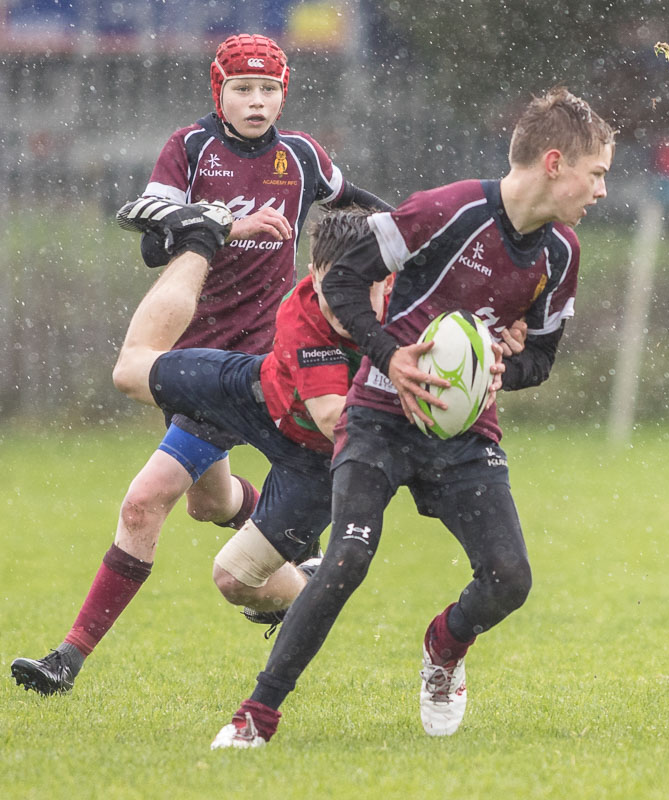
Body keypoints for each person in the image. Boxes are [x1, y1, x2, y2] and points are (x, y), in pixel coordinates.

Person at [211, 87, 616, 748]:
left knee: (510, 581)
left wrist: (500, 369)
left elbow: (539, 358)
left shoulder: (560, 256)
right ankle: (257, 714)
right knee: (346, 557)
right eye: (595, 173)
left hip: (462, 432)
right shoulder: (445, 211)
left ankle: (444, 645)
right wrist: (392, 356)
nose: (601, 190)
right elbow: (341, 281)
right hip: (378, 414)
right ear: (553, 162)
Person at [9, 32, 388, 695]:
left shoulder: (301, 158)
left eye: (268, 89)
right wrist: (227, 227)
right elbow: (155, 241)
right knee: (209, 504)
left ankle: (66, 659)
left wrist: (427, 250)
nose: (256, 101)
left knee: (143, 504)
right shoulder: (191, 148)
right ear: (218, 92)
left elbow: (369, 212)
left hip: (255, 364)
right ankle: (302, 567)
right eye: (242, 88)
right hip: (190, 354)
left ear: (284, 94)